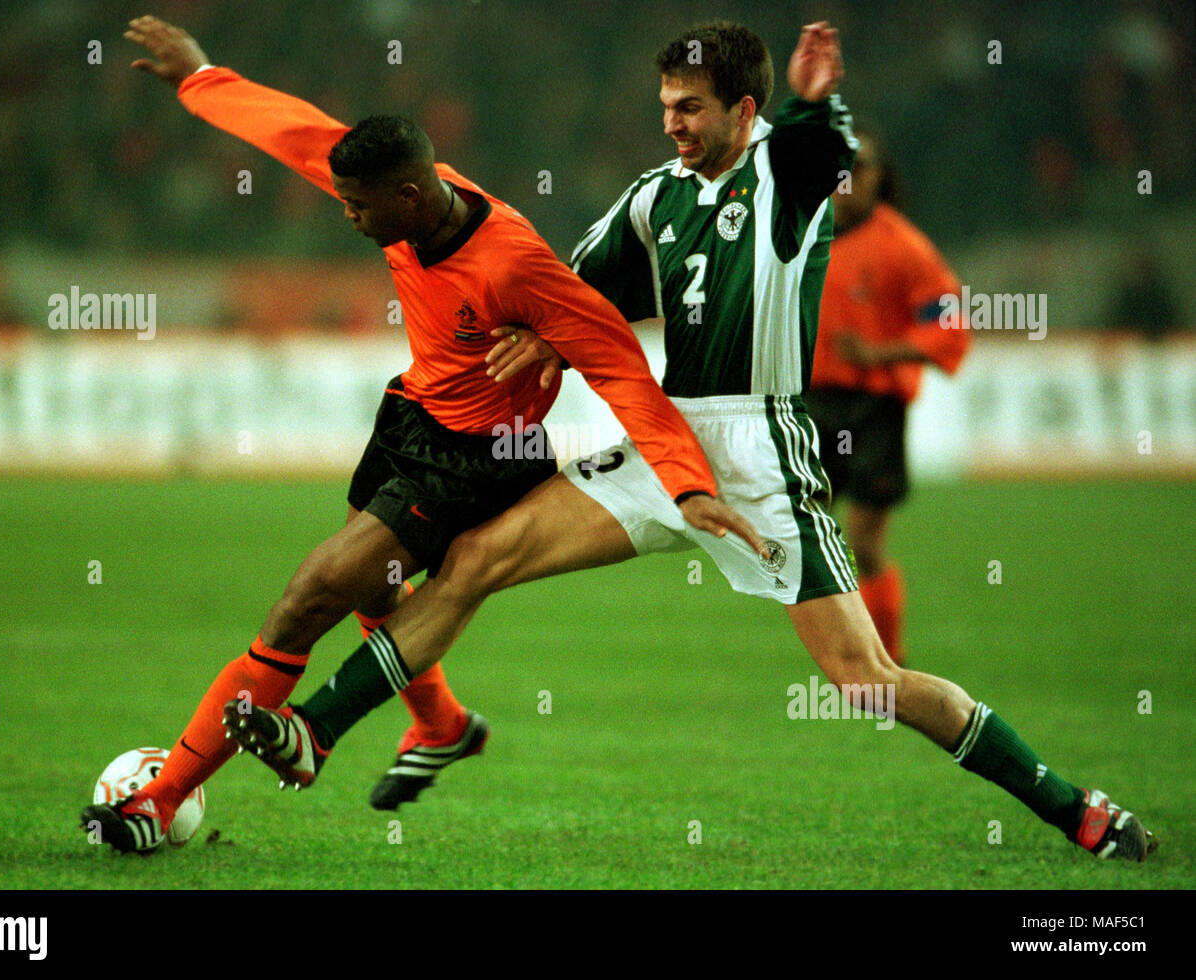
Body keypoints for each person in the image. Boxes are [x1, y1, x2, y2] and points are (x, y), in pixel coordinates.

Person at [228, 19, 1155, 863]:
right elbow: (574, 293)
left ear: (742, 110)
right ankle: (315, 730)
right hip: (665, 439)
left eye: (690, 107)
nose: (671, 122)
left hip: (762, 452)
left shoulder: (787, 177)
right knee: (473, 556)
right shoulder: (651, 198)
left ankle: (1076, 809)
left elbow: (817, 145)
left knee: (866, 680)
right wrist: (545, 332)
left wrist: (814, 96)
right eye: (665, 105)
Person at [82, 15, 764, 854]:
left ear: (406, 198)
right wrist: (200, 76)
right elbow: (292, 130)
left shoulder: (516, 265)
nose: (347, 218)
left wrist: (688, 484)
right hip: (411, 417)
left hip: (475, 462)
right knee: (373, 593)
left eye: (357, 207)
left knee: (309, 597)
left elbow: (622, 365)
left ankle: (157, 802)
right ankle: (441, 724)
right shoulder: (399, 190)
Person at [805, 128, 969, 665]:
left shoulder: (904, 248)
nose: (849, 178)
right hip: (811, 404)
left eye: (862, 166)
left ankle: (886, 662)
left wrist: (880, 354)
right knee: (804, 534)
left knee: (865, 543)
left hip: (874, 408)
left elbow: (949, 326)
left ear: (879, 177)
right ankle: (845, 651)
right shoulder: (802, 235)